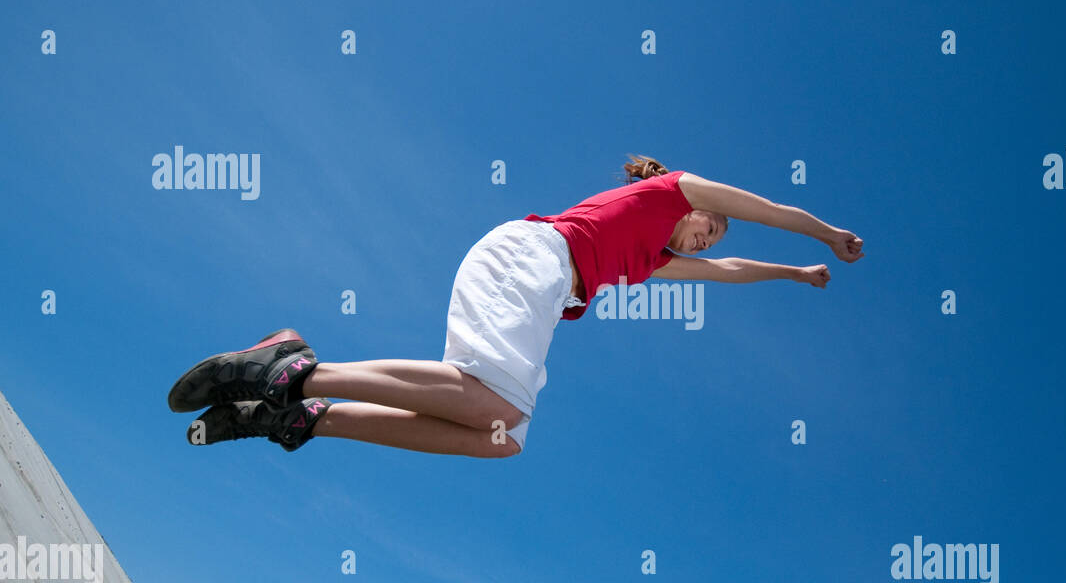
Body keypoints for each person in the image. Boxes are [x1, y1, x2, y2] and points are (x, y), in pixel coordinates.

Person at [167, 155, 865, 457]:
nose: (704, 236)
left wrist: (796, 274)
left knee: (502, 437)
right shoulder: (672, 192)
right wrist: (826, 234)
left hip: (540, 282)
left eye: (708, 236)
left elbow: (731, 271)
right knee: (495, 401)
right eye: (707, 225)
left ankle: (305, 418)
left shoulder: (654, 260)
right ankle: (292, 367)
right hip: (532, 258)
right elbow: (765, 209)